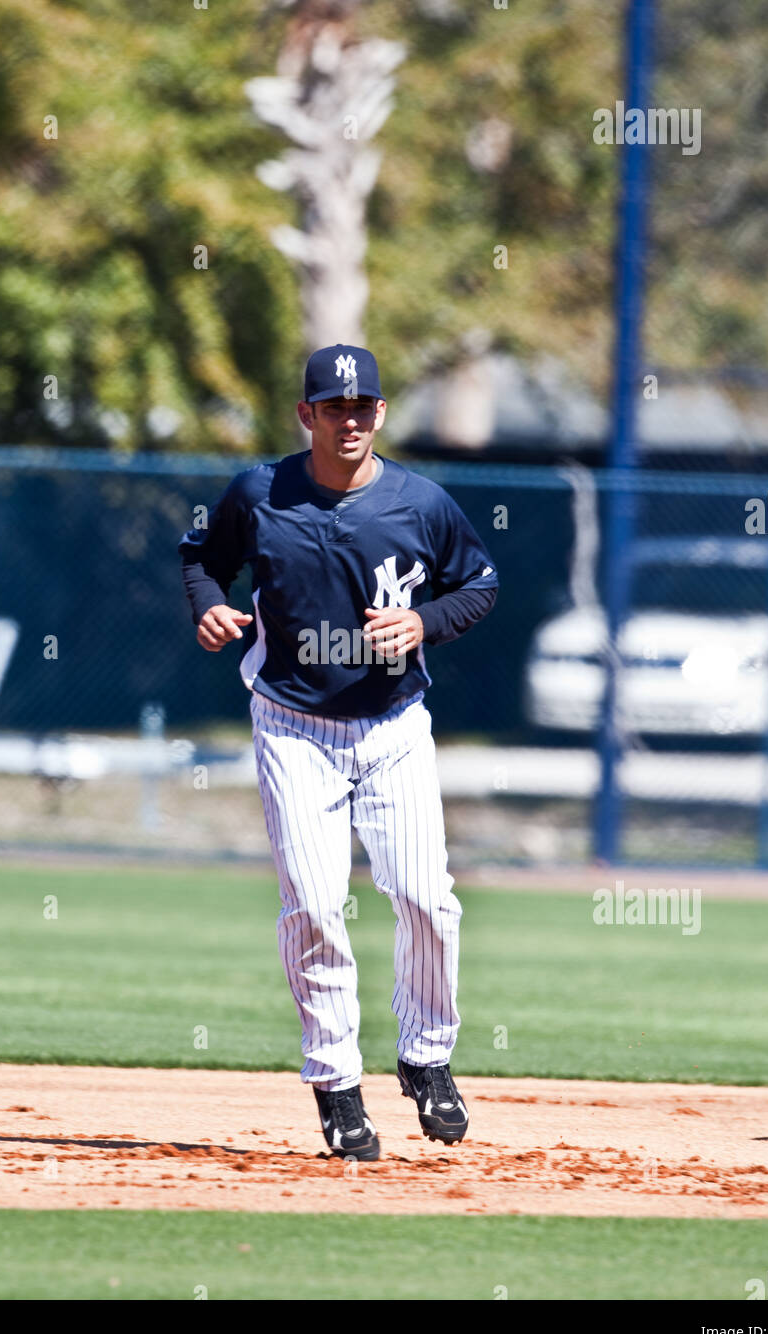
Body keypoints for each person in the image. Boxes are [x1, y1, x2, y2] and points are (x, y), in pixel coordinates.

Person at [179, 344, 498, 1160]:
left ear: (382, 413)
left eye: (363, 407)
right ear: (306, 415)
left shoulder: (419, 503)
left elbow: (480, 584)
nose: (349, 419)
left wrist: (425, 622)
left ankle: (427, 1059)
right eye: (333, 407)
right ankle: (337, 1086)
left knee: (428, 898)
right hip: (293, 727)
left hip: (392, 726)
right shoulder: (260, 492)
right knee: (316, 906)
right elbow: (202, 558)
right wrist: (209, 607)